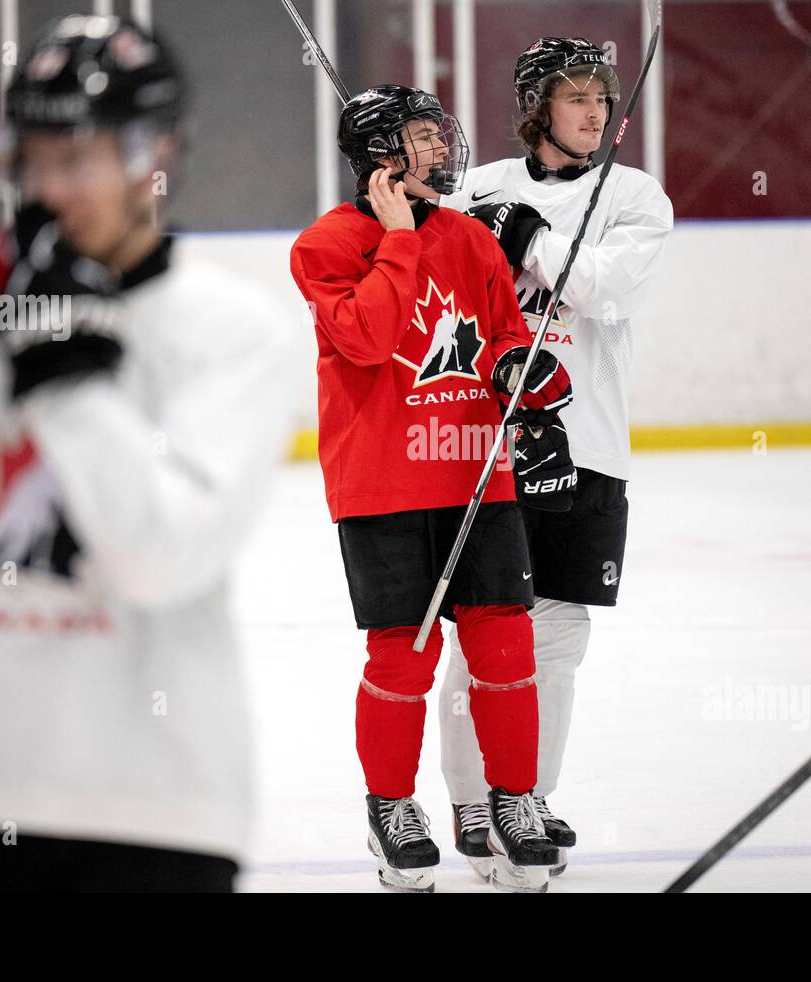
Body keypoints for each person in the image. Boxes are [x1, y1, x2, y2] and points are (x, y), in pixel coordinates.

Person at [0, 13, 291, 892]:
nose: (49, 187)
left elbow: (158, 556)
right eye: (34, 158)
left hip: (152, 815)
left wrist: (64, 375)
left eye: (80, 159)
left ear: (157, 157)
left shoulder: (232, 334)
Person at [289, 84, 577, 893]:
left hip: (476, 474)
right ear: (382, 156)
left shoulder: (471, 240)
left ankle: (513, 799)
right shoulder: (325, 246)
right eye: (422, 137)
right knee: (404, 656)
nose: (443, 149)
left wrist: (519, 364)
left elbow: (501, 333)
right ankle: (392, 809)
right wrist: (397, 239)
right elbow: (371, 338)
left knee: (505, 642)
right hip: (381, 485)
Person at [435, 37, 673, 877]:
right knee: (480, 636)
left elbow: (605, 287)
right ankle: (471, 803)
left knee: (559, 639)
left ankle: (529, 795)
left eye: (603, 99)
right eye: (576, 98)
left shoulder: (637, 196)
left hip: (592, 443)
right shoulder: (478, 188)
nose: (595, 113)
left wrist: (527, 241)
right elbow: (428, 274)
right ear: (538, 108)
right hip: (486, 443)